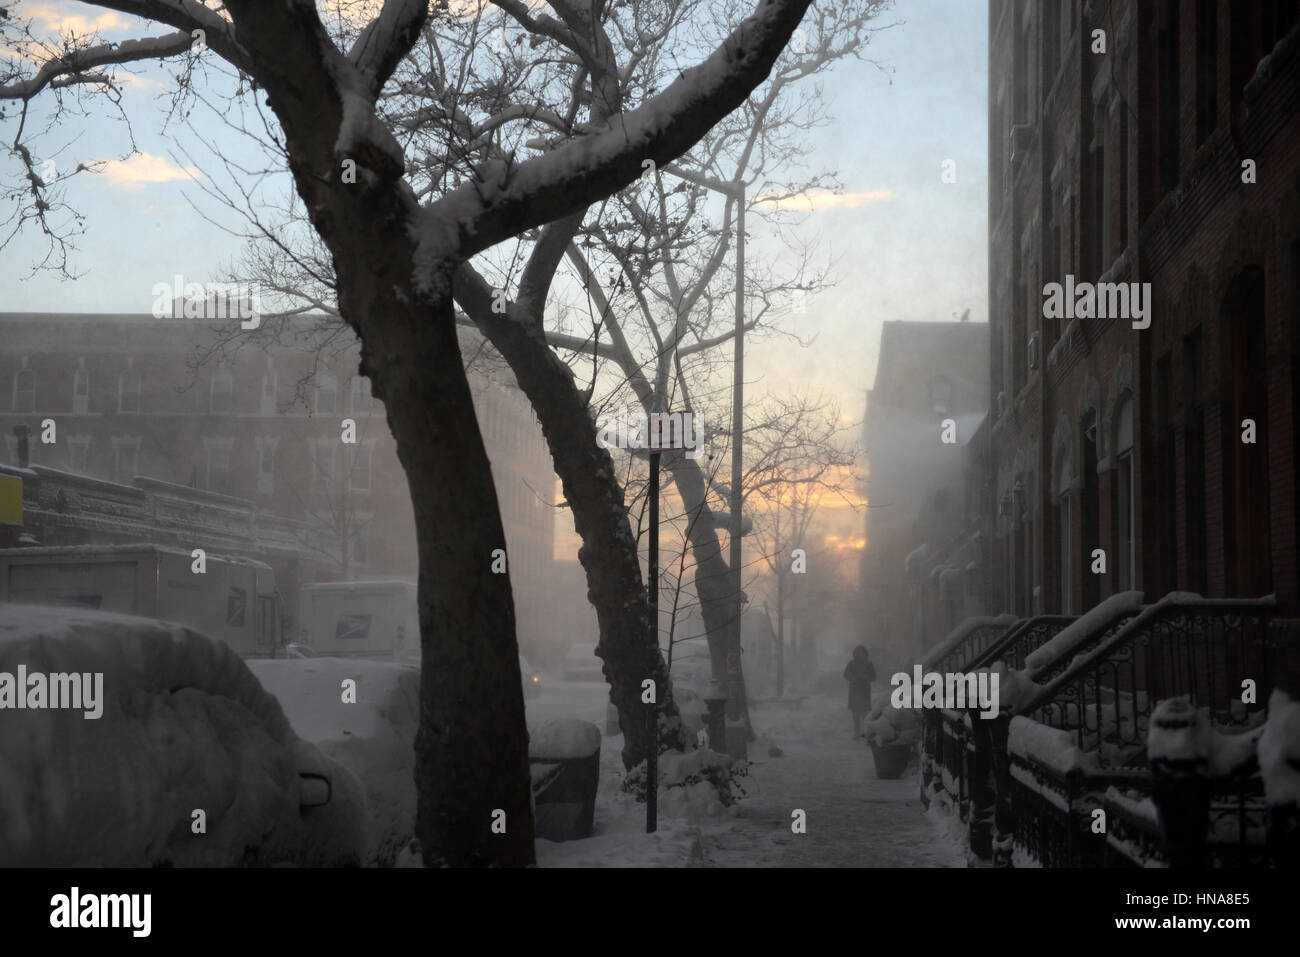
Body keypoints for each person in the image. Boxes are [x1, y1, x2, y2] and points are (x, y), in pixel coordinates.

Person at [843, 645, 877, 735]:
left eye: (861, 652)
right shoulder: (851, 664)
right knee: (855, 713)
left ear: (865, 653)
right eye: (858, 652)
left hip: (865, 690)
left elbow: (874, 677)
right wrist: (852, 677)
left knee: (865, 713)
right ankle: (857, 731)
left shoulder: (869, 664)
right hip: (854, 690)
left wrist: (866, 677)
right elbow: (845, 674)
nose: (860, 654)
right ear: (855, 653)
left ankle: (866, 732)